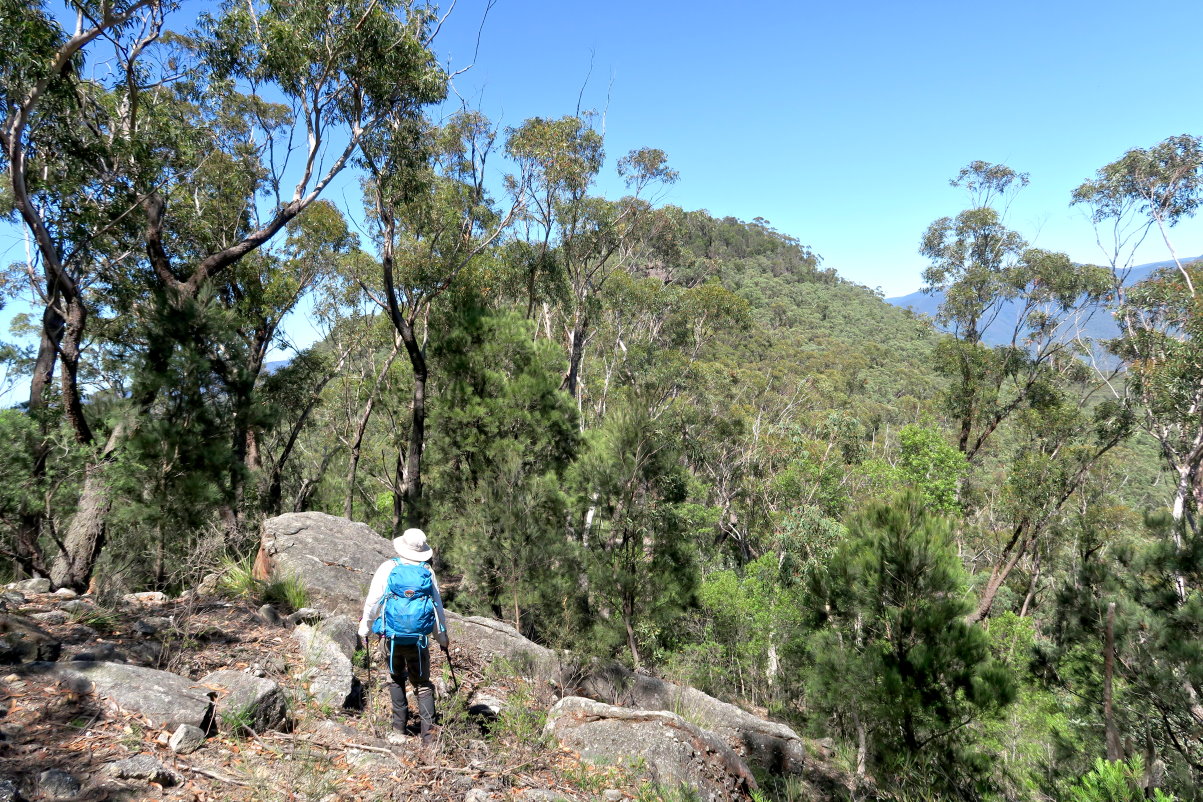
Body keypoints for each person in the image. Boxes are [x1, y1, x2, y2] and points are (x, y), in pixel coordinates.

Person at [358, 527, 449, 744]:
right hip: (418, 641)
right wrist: (442, 638)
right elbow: (437, 608)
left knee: (395, 677)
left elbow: (373, 602)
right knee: (423, 684)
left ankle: (398, 729)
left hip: (392, 638)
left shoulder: (388, 567)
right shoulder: (427, 572)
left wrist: (365, 629)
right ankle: (429, 738)